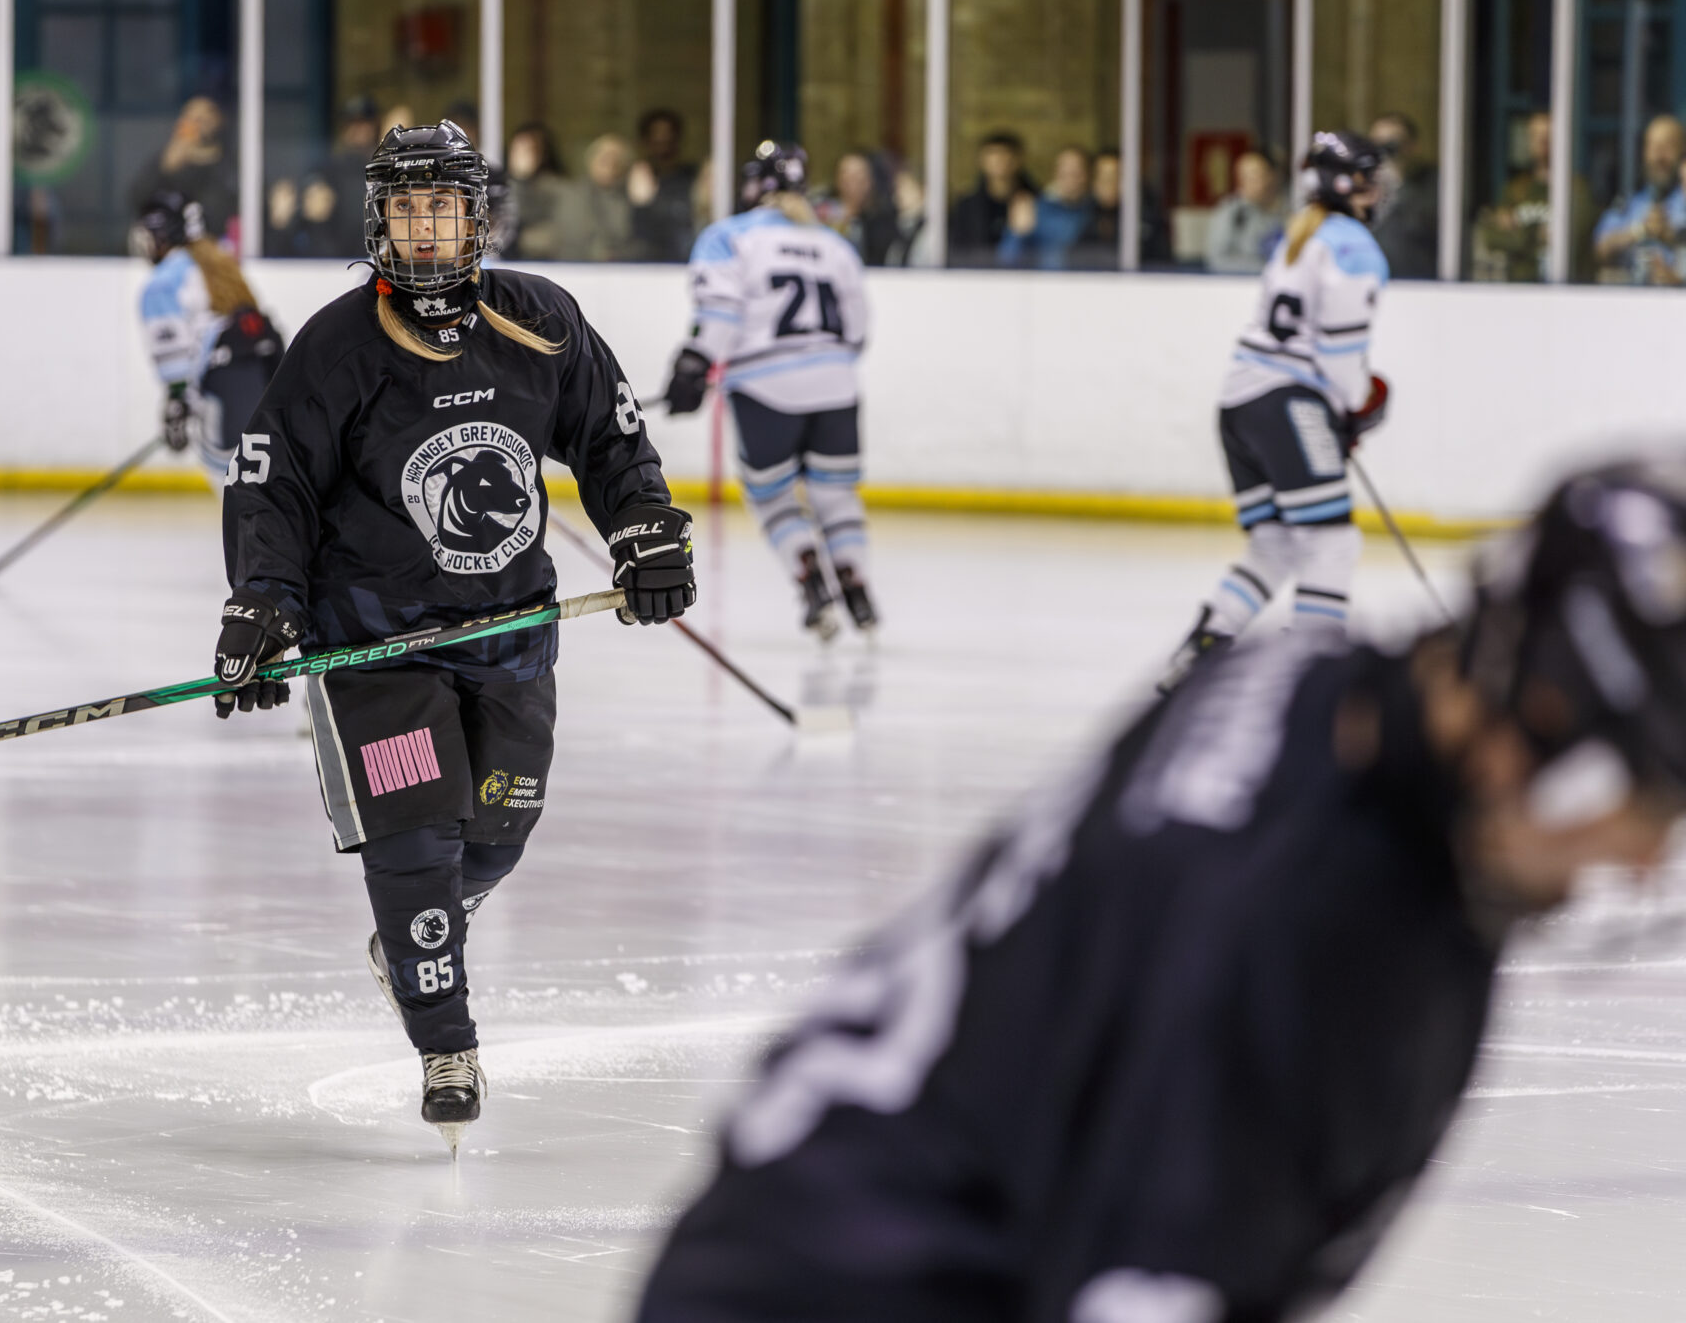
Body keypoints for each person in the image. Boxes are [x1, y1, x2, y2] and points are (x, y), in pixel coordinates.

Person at [638, 451, 1686, 1323]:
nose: (1642, 860)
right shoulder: (1283, 942)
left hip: (805, 1222)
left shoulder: (1310, 686)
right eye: (1637, 800)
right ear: (1529, 707)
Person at [210, 121, 693, 1148]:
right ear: (378, 217)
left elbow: (609, 442)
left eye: (445, 206)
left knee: (495, 833)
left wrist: (645, 530)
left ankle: (415, 937)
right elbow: (271, 490)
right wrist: (260, 604)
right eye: (405, 206)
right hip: (375, 642)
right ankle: (445, 1038)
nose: (425, 227)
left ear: (478, 215)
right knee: (417, 842)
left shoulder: (537, 319)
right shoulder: (338, 346)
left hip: (510, 631)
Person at [1160, 130, 1391, 692]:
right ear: (1341, 186)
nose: (1375, 193)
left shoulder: (1299, 231)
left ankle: (1205, 645)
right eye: (1366, 182)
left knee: (1278, 543)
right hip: (1288, 403)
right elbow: (1338, 356)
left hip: (1240, 402)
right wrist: (1356, 408)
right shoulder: (1353, 247)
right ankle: (1308, 682)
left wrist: (1338, 413)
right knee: (1333, 542)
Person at [661, 141, 875, 640]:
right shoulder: (836, 244)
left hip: (764, 389)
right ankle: (856, 586)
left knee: (774, 496)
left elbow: (720, 312)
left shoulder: (728, 237)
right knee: (836, 496)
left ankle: (812, 582)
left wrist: (694, 365)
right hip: (837, 387)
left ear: (753, 185)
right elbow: (859, 330)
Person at [134, 190, 284, 486]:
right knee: (264, 488)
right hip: (265, 376)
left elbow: (175, 363)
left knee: (233, 487)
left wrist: (178, 401)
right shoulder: (218, 262)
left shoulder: (163, 281)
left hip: (224, 387)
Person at [1473, 111, 1597, 284]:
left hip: (1566, 287)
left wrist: (1519, 229)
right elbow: (1491, 236)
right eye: (1536, 136)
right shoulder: (1516, 189)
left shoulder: (1577, 189)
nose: (1542, 142)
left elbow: (1573, 239)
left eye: (1548, 137)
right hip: (1521, 285)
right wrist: (1535, 235)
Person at [1593, 114, 1686, 285]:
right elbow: (1599, 248)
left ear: (1682, 152)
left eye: (1667, 146)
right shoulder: (1630, 203)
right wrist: (1640, 231)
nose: (1659, 156)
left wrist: (1672, 237)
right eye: (1654, 147)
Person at [129, 97, 238, 242]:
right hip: (172, 247)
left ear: (218, 121)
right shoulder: (167, 160)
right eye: (191, 118)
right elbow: (137, 199)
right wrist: (165, 167)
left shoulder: (230, 163)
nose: (198, 125)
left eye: (203, 118)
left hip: (216, 247)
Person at [946, 131, 1035, 267]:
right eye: (993, 154)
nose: (999, 160)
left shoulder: (1035, 202)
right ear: (982, 160)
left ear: (1018, 160)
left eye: (1005, 154)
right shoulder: (967, 206)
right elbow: (957, 250)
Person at [1368, 111, 1439, 280]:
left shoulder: (1432, 185)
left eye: (1392, 144)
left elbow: (1424, 225)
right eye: (1377, 145)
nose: (1384, 152)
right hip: (1373, 281)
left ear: (1412, 146)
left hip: (1417, 283)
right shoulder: (1364, 188)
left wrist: (1399, 181)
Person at [999, 145, 1092, 270]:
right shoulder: (1037, 209)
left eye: (1076, 172)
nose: (1069, 178)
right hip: (1044, 284)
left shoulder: (1094, 210)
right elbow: (1007, 259)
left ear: (1088, 175)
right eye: (1064, 172)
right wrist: (1018, 233)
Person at [628, 108, 701, 263]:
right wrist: (641, 204)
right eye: (656, 141)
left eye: (668, 141)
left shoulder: (691, 178)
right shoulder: (635, 179)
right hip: (642, 266)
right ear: (645, 143)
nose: (662, 148)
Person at [553, 134, 637, 262]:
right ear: (591, 160)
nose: (610, 164)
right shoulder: (572, 194)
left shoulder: (632, 198)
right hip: (577, 268)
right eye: (604, 158)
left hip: (624, 269)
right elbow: (574, 235)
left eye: (617, 160)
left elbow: (640, 240)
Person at [1205, 149, 1288, 275]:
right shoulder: (1231, 213)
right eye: (1243, 176)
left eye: (1254, 175)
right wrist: (1267, 268)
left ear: (1272, 176)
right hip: (1241, 286)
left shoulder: (1289, 211)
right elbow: (1217, 260)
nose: (1246, 182)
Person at [824, 151, 911, 267]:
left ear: (870, 181)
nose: (851, 183)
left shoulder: (883, 222)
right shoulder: (824, 215)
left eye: (858, 177)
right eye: (846, 175)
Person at [503, 122, 568, 261]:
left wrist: (519, 239)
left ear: (543, 153)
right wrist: (519, 180)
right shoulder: (502, 186)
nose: (522, 156)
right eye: (517, 149)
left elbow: (559, 236)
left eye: (529, 150)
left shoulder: (558, 188)